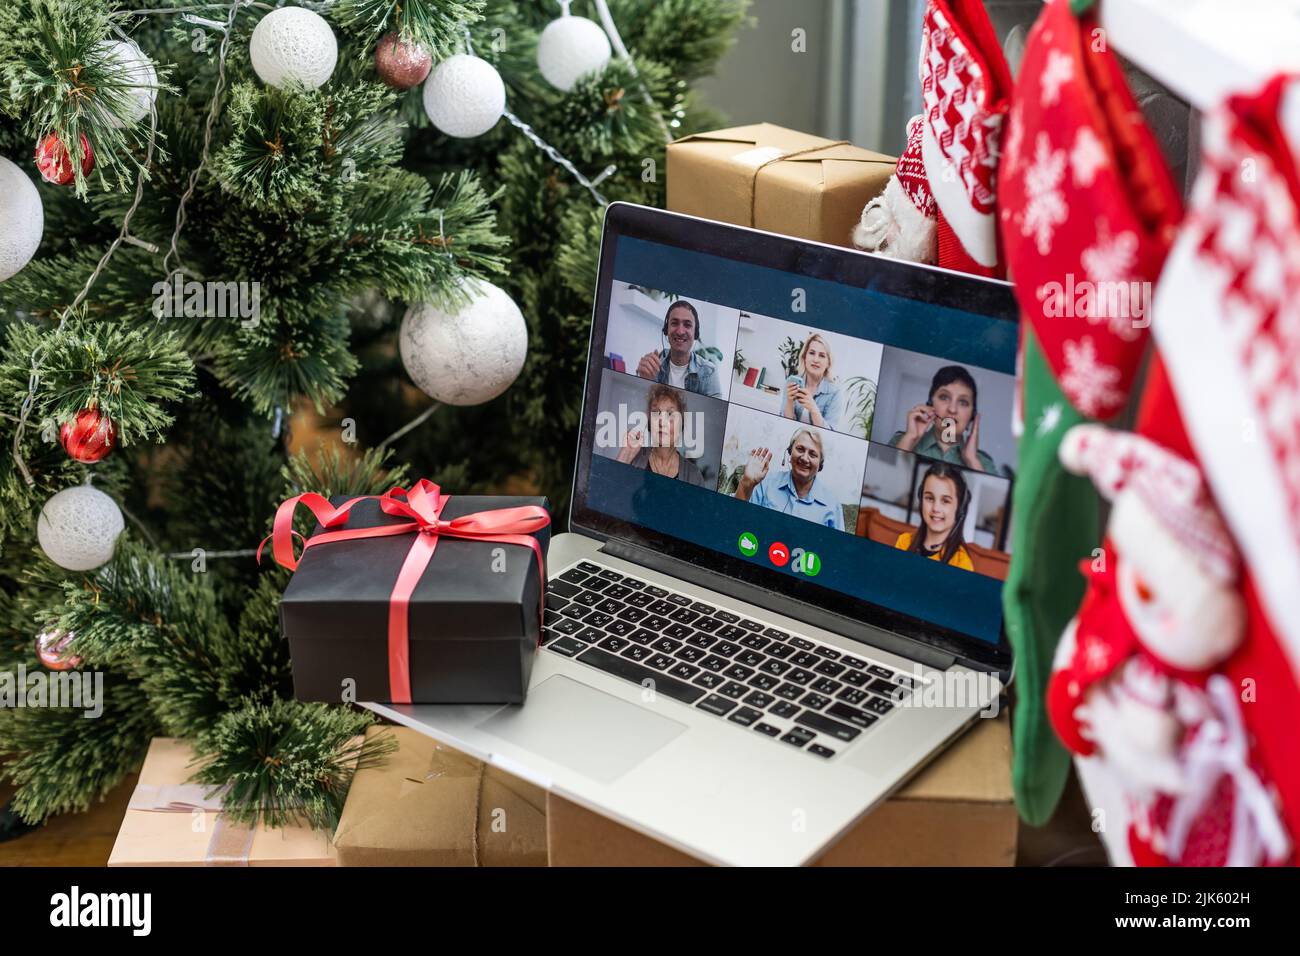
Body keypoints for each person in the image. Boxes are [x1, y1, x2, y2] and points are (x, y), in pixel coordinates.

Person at [889, 365, 997, 473]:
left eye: (963, 402)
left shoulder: (984, 463)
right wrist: (909, 440)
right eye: (944, 397)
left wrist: (972, 461)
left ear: (972, 416)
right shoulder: (900, 441)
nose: (952, 409)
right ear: (930, 404)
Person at [733, 427, 844, 531]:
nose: (805, 458)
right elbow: (735, 519)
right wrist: (746, 483)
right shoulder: (765, 483)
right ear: (790, 452)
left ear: (820, 464)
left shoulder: (833, 506)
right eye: (800, 449)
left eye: (813, 454)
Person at [615, 384, 706, 486]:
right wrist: (626, 453)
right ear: (649, 422)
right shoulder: (634, 457)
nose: (661, 422)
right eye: (656, 413)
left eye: (670, 414)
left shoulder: (693, 475)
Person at [893, 462, 975, 571]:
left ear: (960, 508)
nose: (936, 508)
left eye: (945, 501)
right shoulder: (904, 542)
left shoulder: (962, 563)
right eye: (929, 498)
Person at [635, 300, 723, 399]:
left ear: (695, 333)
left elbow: (714, 412)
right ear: (666, 330)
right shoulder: (652, 365)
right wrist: (644, 381)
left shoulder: (708, 372)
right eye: (674, 323)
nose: (680, 331)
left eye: (687, 325)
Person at [781, 332, 844, 432]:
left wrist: (813, 409)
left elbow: (830, 434)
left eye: (822, 355)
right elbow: (783, 424)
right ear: (804, 357)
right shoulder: (791, 382)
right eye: (811, 353)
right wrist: (789, 402)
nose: (815, 359)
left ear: (828, 362)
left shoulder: (835, 393)